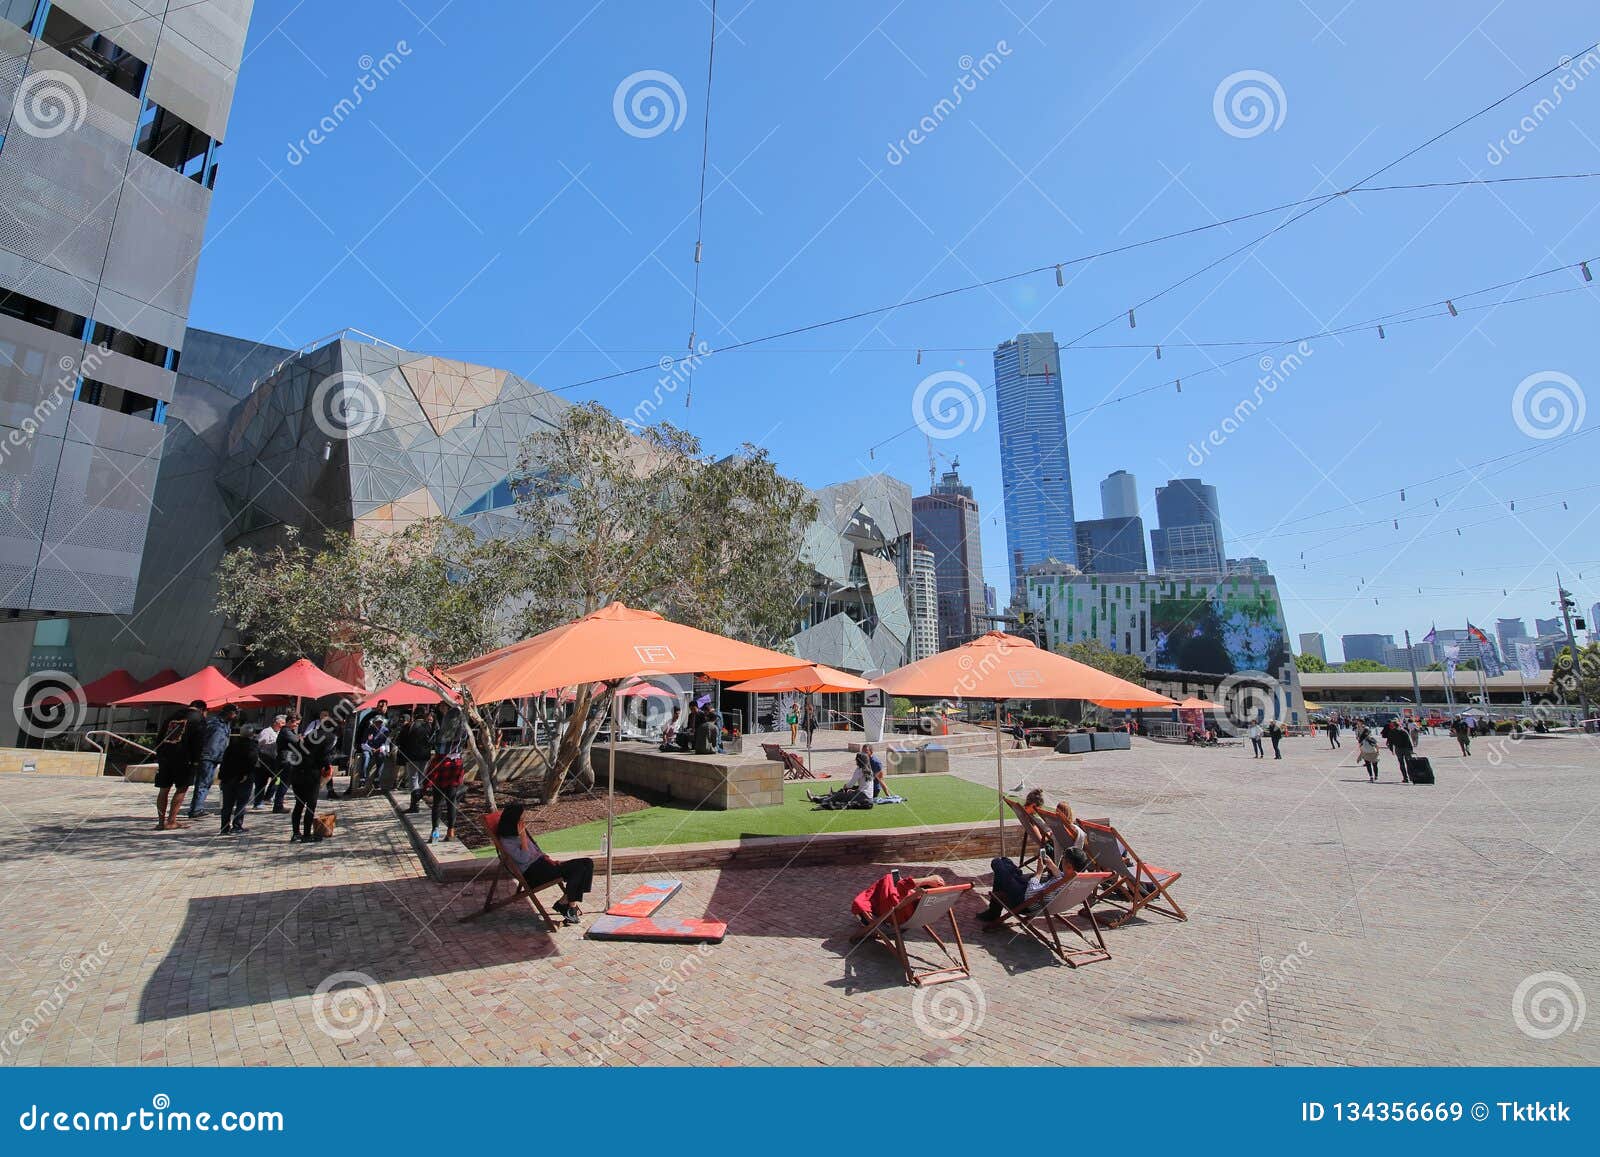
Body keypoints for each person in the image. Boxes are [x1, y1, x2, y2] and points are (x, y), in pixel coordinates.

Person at [495, 802, 593, 925]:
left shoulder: (518, 831)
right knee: (578, 869)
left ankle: (565, 902)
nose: (523, 822)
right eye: (521, 819)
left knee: (587, 863)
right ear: (513, 820)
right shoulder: (506, 841)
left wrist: (546, 858)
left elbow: (536, 849)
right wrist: (523, 837)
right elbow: (524, 858)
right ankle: (569, 906)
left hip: (543, 865)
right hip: (533, 873)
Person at [974, 843, 1090, 924]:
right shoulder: (1075, 879)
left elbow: (1031, 893)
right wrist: (1052, 866)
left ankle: (993, 912)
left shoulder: (1059, 883)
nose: (1062, 860)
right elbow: (1061, 877)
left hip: (1024, 901)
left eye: (1063, 858)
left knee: (998, 862)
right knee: (1006, 862)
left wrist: (1038, 873)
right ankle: (1014, 876)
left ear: (1069, 866)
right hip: (1038, 901)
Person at [153, 700, 206, 831]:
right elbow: (198, 742)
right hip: (184, 758)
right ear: (202, 709)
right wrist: (196, 760)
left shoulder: (172, 715)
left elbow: (160, 737)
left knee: (164, 789)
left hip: (165, 756)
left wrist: (159, 754)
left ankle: (161, 822)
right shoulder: (199, 719)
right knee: (181, 788)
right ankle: (171, 821)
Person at [188, 703, 236, 818]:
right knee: (203, 783)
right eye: (235, 713)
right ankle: (196, 809)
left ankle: (221, 806)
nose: (236, 716)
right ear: (229, 713)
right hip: (208, 756)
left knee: (215, 783)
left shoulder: (226, 724)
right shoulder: (214, 723)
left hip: (220, 756)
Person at [807, 744, 887, 808]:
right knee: (842, 794)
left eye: (865, 752)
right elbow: (865, 785)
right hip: (867, 794)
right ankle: (821, 797)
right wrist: (854, 790)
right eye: (863, 752)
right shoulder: (868, 768)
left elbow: (850, 785)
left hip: (865, 794)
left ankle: (818, 799)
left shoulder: (862, 769)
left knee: (840, 795)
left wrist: (847, 787)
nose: (864, 753)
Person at [217, 724, 260, 835]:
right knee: (241, 802)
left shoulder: (232, 745)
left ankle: (224, 827)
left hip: (228, 777)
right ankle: (237, 825)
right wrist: (245, 773)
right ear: (252, 734)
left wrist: (221, 777)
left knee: (227, 804)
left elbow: (224, 761)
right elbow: (252, 760)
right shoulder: (252, 746)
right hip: (243, 778)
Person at [395, 709, 435, 813]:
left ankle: (414, 805)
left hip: (412, 756)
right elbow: (432, 741)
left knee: (413, 779)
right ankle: (417, 803)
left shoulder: (409, 726)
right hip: (425, 756)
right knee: (420, 779)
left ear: (414, 715)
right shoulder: (428, 726)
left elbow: (399, 741)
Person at [427, 749, 466, 843]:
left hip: (440, 764)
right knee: (451, 802)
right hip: (455, 764)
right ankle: (450, 832)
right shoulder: (458, 741)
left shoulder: (439, 744)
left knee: (437, 803)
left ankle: (435, 832)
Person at [351, 701, 389, 794]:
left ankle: (377, 779)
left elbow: (387, 741)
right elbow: (362, 732)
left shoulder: (386, 722)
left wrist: (382, 749)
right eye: (379, 706)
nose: (380, 708)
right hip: (367, 746)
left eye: (382, 706)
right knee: (366, 757)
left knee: (382, 756)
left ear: (386, 707)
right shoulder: (370, 717)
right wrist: (361, 745)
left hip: (379, 748)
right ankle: (362, 779)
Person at [253, 715, 284, 810]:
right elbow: (258, 744)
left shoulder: (279, 732)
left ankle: (268, 797)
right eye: (282, 723)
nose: (283, 725)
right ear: (276, 723)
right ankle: (258, 802)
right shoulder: (266, 731)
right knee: (261, 782)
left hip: (274, 760)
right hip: (264, 759)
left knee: (277, 779)